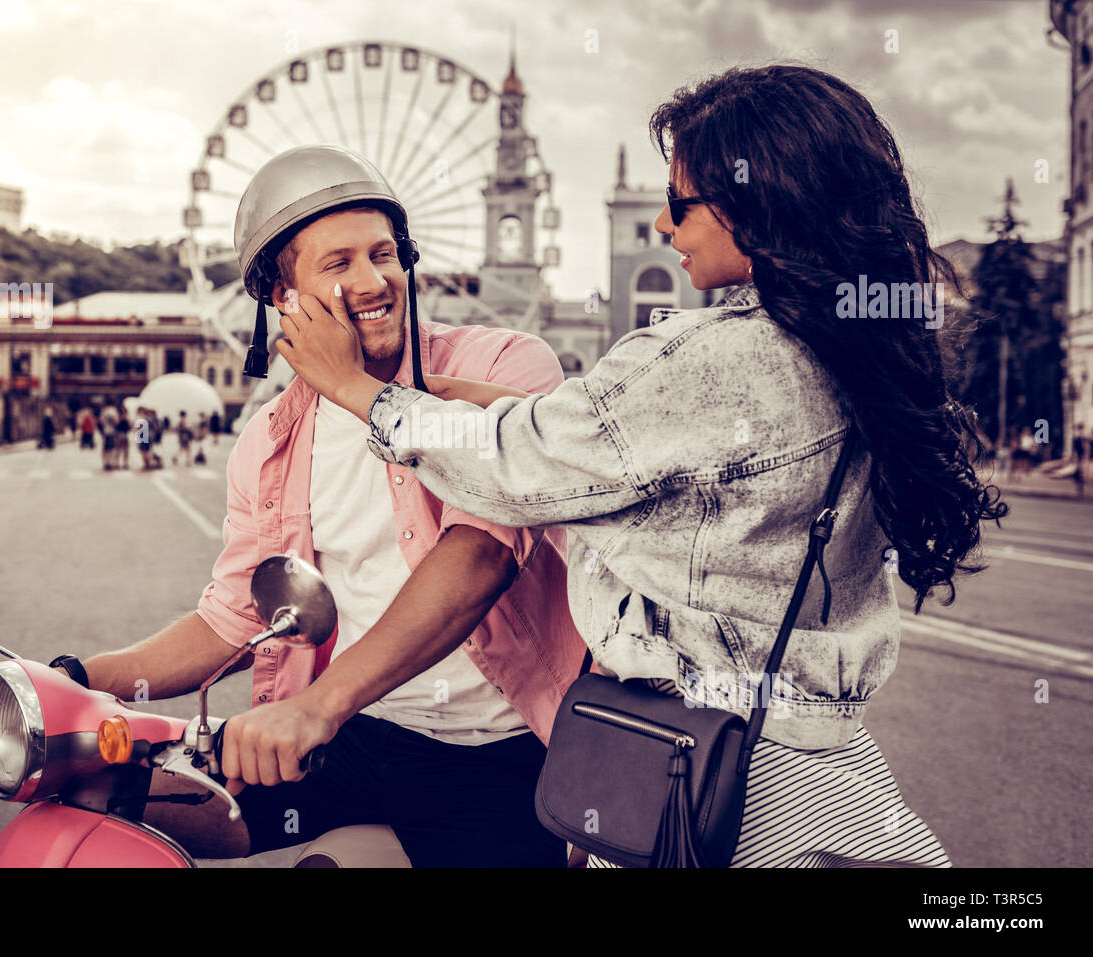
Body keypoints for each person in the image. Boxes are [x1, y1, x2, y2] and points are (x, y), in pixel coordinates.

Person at [279, 66, 1009, 868]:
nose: (664, 222)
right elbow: (626, 447)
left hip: (709, 772)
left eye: (681, 200)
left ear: (754, 203)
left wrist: (355, 389)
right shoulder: (847, 342)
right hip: (820, 754)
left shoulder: (712, 356)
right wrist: (470, 397)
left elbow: (518, 470)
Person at [0, 144, 585, 867]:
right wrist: (69, 680)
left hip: (491, 750)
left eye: (386, 254)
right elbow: (233, 618)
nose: (376, 279)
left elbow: (478, 557)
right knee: (87, 786)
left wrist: (318, 706)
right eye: (339, 263)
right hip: (346, 738)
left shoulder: (506, 366)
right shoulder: (269, 441)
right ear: (282, 300)